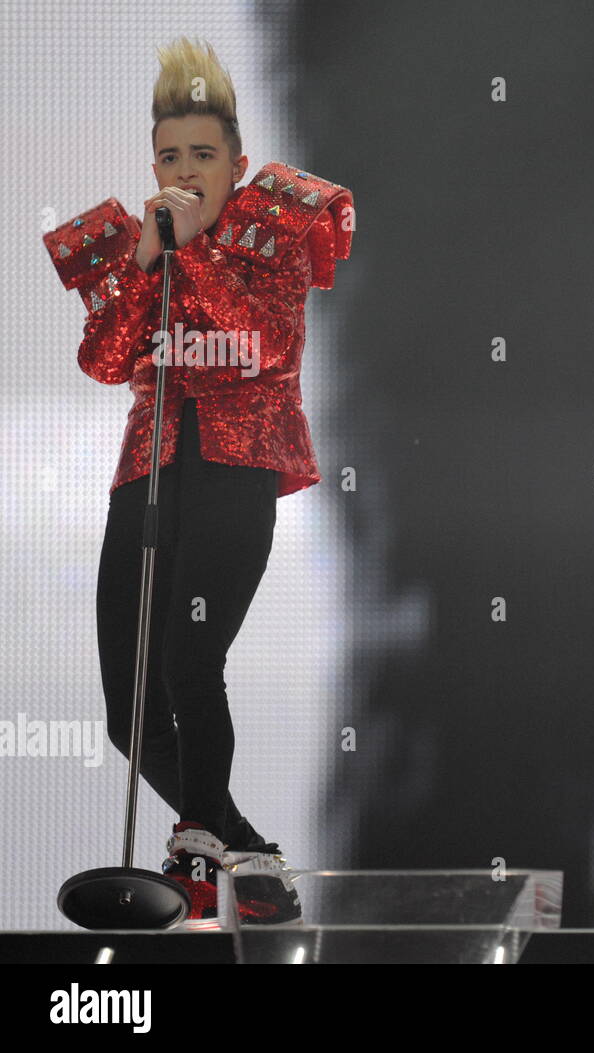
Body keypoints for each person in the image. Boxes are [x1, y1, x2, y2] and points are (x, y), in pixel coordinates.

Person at [43, 37, 354, 926]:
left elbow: (259, 341)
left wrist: (189, 255)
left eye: (203, 156)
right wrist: (143, 264)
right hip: (145, 475)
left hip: (236, 468)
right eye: (171, 156)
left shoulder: (275, 234)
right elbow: (103, 358)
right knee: (127, 712)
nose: (185, 172)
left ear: (237, 165)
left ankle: (198, 843)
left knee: (190, 661)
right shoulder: (145, 252)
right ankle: (243, 851)